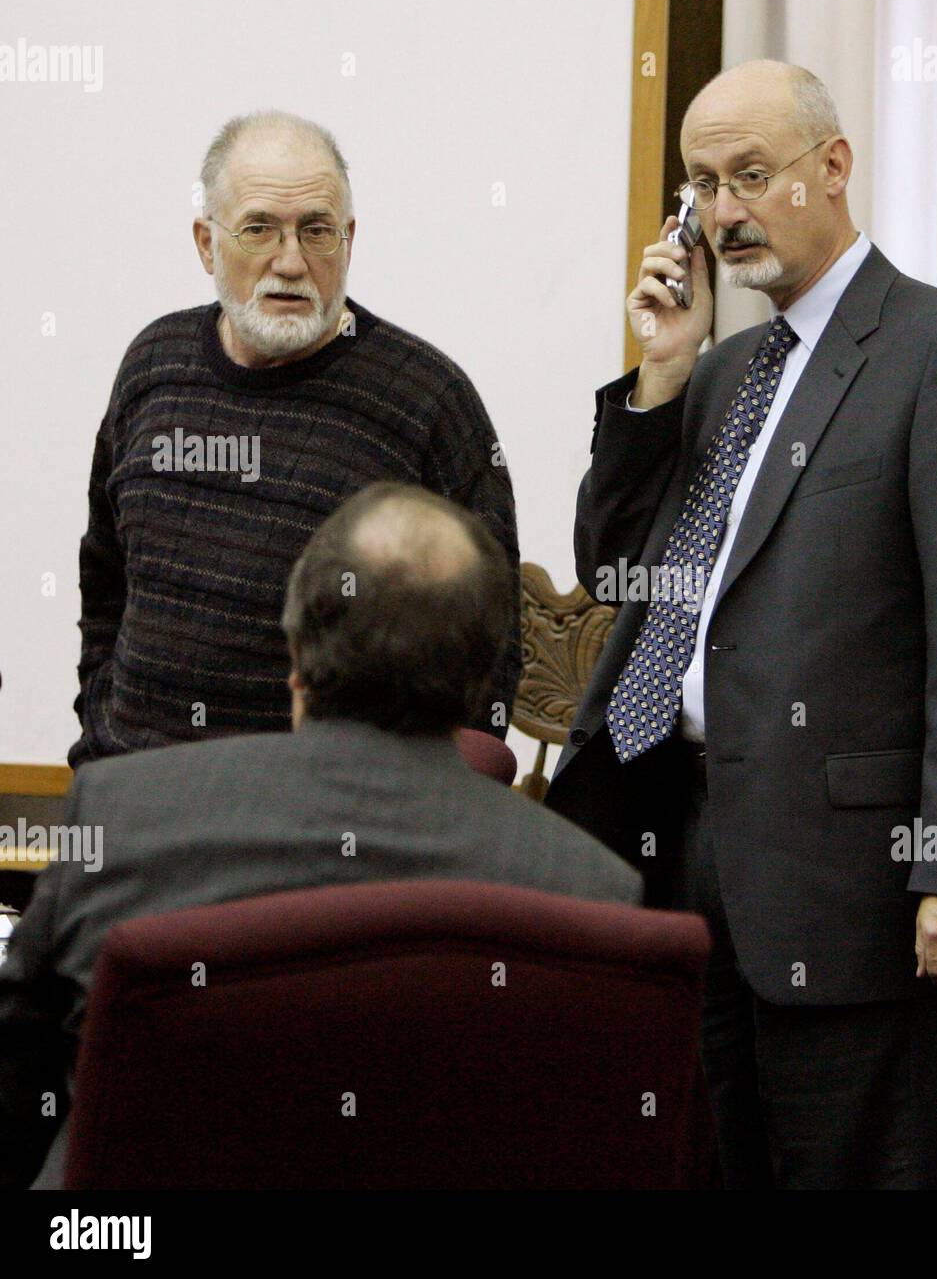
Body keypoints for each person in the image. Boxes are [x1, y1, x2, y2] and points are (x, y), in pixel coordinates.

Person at [545, 60, 937, 1188]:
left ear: (832, 169)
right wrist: (659, 376)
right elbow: (624, 575)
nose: (723, 211)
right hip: (683, 848)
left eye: (753, 175)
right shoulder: (720, 374)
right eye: (703, 184)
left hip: (853, 877)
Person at [0, 483, 641, 1190]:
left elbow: (17, 1086)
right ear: (482, 674)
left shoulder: (120, 819)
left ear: (297, 654)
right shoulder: (592, 893)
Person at [71, 110, 520, 767]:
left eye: (317, 231)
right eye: (259, 229)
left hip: (319, 829)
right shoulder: (152, 365)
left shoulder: (427, 401)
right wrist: (100, 736)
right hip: (133, 801)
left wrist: (416, 813)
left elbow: (490, 640)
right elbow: (104, 575)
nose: (290, 261)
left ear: (349, 239)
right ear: (206, 242)